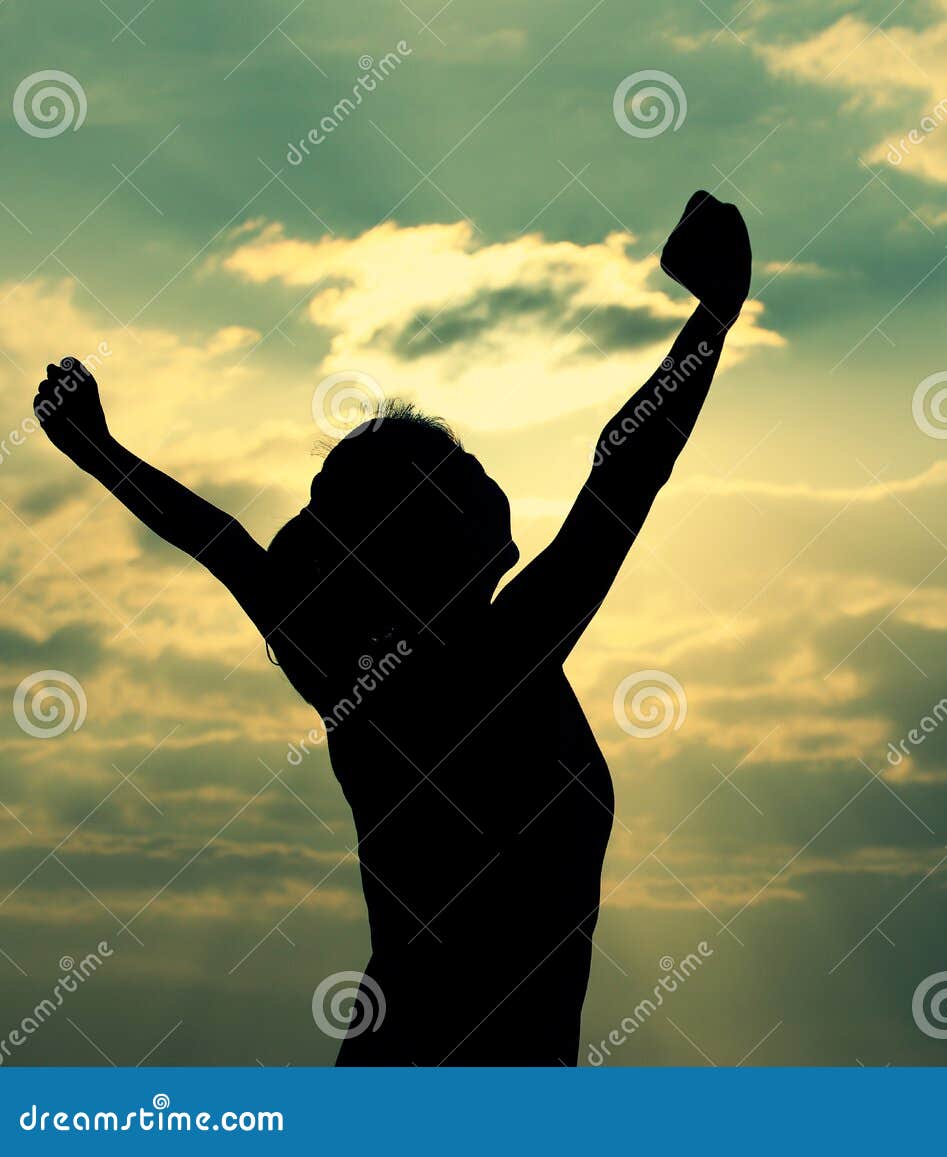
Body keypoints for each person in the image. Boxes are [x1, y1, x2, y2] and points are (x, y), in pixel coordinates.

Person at [32, 191, 752, 1065]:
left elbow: (219, 541)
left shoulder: (347, 670)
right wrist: (712, 315)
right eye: (458, 475)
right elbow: (624, 477)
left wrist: (98, 447)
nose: (486, 483)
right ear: (435, 546)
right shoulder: (493, 662)